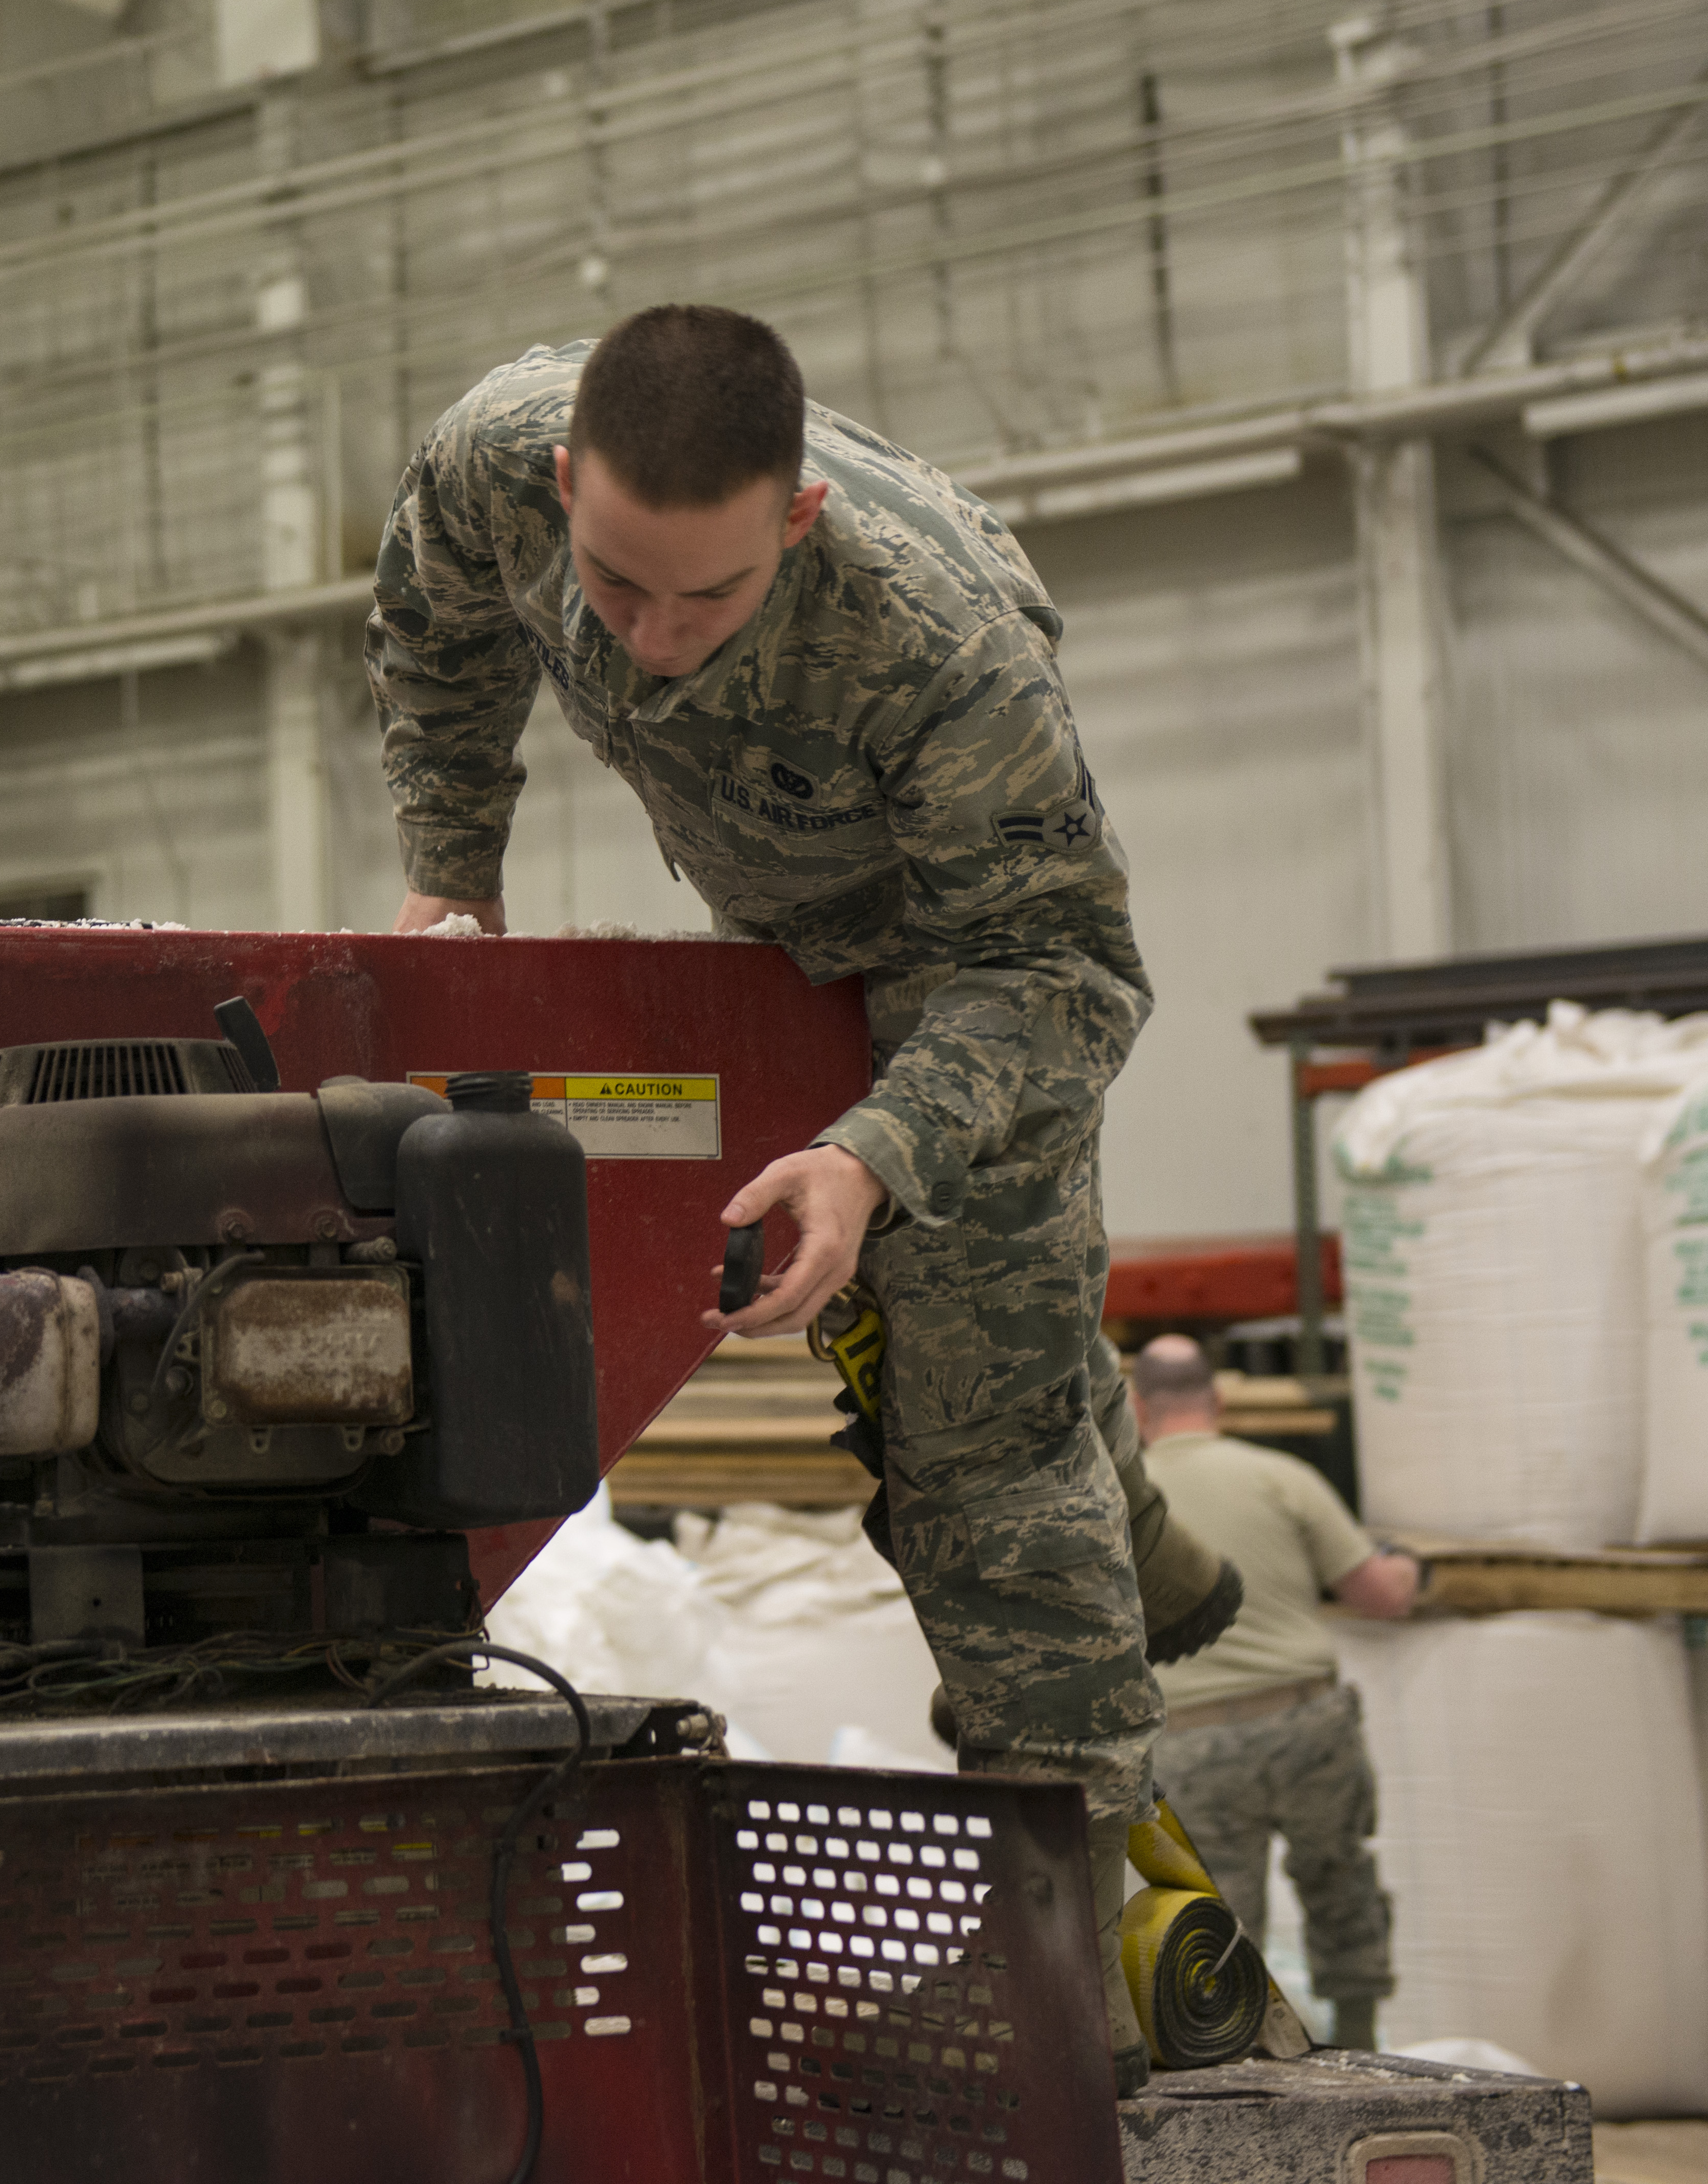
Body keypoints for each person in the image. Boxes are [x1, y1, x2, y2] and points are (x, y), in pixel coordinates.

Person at [366, 302, 1234, 2092]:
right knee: (875, 1382)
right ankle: (1151, 1546)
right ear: (560, 489)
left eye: (712, 599)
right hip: (767, 931)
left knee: (979, 1458)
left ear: (801, 527)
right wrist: (455, 879)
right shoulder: (488, 469)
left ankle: (1073, 1971)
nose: (658, 642)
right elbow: (437, 639)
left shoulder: (945, 656)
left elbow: (1064, 975)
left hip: (958, 963)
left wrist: (877, 1149)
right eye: (616, 592)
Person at [1127, 1335, 1413, 2053]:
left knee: (1220, 1921)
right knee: (1339, 1878)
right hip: (1306, 1721)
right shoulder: (1283, 1478)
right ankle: (1360, 2043)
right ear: (1218, 1399)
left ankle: (1247, 2061)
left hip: (1190, 1741)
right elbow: (1378, 1596)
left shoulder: (1124, 1497)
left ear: (1136, 1406)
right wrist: (1414, 1569)